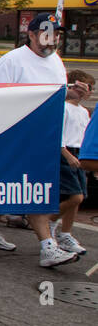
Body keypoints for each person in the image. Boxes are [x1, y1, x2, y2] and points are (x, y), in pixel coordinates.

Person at [0, 13, 87, 266]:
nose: (51, 40)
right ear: (30, 34)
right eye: (45, 33)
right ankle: (47, 246)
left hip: (48, 138)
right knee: (33, 192)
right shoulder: (12, 61)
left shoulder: (56, 62)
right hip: (21, 138)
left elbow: (53, 98)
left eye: (55, 34)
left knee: (28, 191)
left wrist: (70, 93)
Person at [58, 70, 92, 256]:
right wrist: (67, 155)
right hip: (66, 153)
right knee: (75, 196)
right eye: (87, 87)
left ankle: (65, 233)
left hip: (79, 153)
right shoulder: (63, 108)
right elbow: (59, 136)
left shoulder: (84, 112)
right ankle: (50, 219)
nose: (89, 92)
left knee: (79, 198)